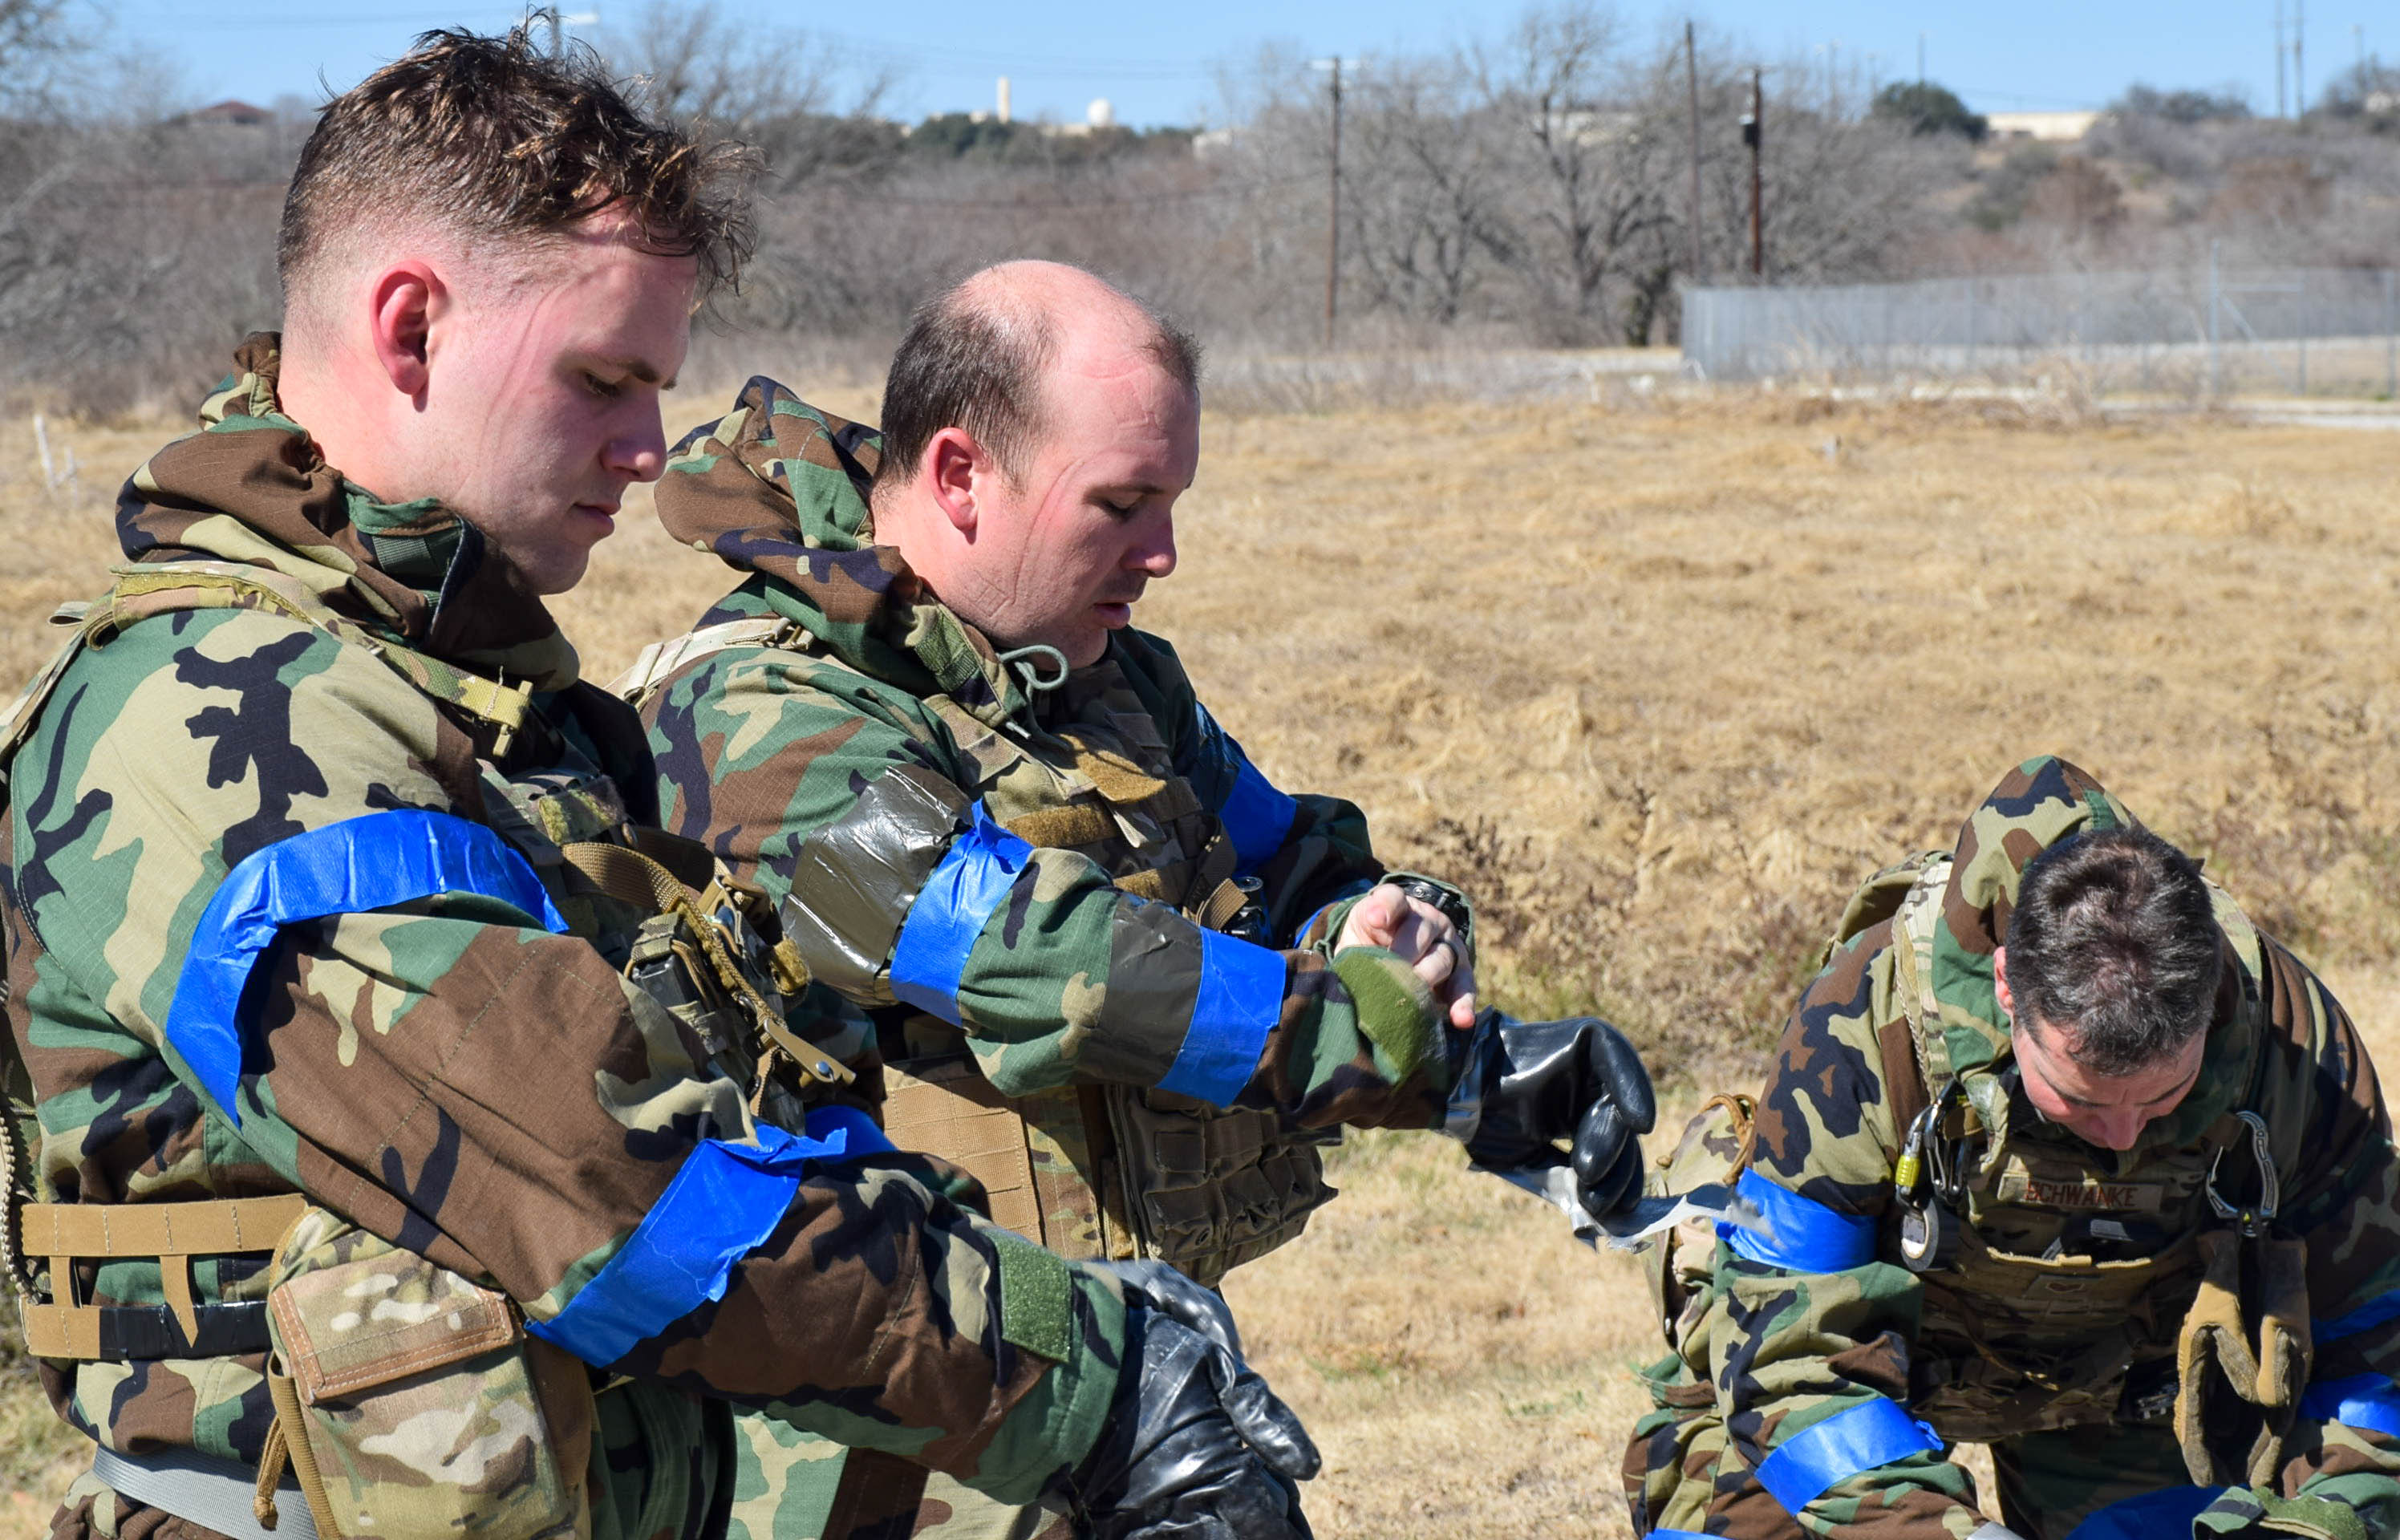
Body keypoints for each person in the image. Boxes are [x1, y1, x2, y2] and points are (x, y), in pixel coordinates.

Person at [0, 33, 1316, 1540]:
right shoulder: (222, 718)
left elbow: (735, 1089)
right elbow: (607, 1172)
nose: (647, 449)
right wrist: (1093, 1383)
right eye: (604, 381)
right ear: (411, 326)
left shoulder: (471, 696)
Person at [622, 259, 1657, 1538]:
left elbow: (1291, 866)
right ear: (958, 476)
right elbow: (1024, 949)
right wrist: (1352, 1030)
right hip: (880, 1459)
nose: (1162, 553)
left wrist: (1405, 968)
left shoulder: (1112, 678)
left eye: (1170, 502)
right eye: (1121, 504)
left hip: (1137, 1398)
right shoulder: (755, 710)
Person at [1623, 756, 2400, 1540]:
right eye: (2083, 1100)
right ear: (2005, 988)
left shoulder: (2296, 1053)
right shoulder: (1870, 1021)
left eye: (2164, 1100)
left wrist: (2318, 1525)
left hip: (2118, 1385)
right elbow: (1781, 1350)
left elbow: (2375, 1354)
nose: (2124, 1136)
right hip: (1866, 1369)